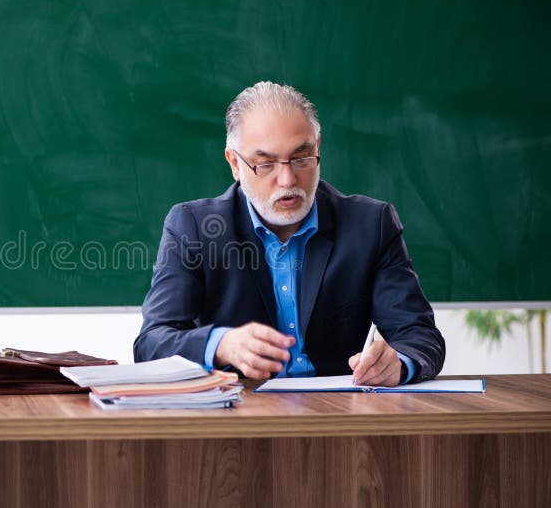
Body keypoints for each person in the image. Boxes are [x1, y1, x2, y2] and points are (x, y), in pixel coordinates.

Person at [134, 81, 445, 386]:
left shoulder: (370, 224)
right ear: (235, 164)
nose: (287, 179)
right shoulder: (193, 226)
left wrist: (398, 363)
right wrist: (221, 344)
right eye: (266, 164)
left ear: (318, 147)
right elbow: (151, 343)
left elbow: (419, 336)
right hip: (240, 419)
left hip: (341, 417)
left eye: (301, 158)